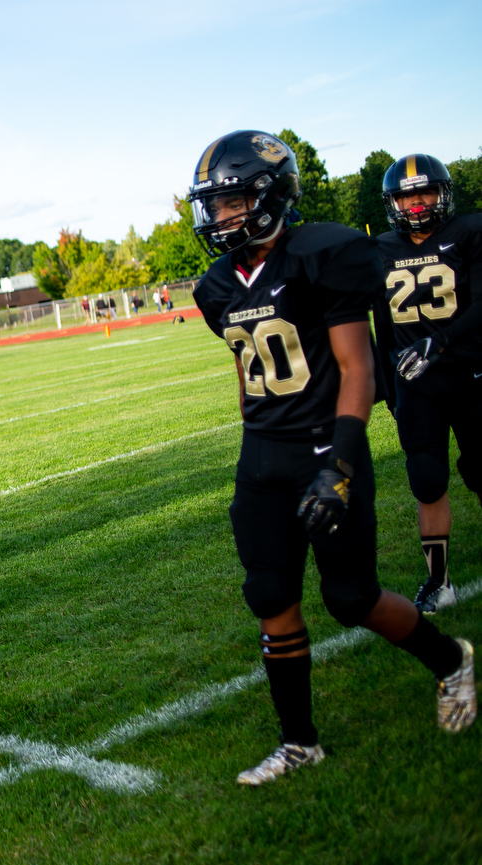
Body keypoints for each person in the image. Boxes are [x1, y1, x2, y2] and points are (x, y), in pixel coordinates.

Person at [189, 131, 475, 785]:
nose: (222, 216)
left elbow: (357, 367)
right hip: (262, 453)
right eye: (216, 204)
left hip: (325, 442)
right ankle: (299, 741)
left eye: (233, 201)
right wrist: (252, 442)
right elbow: (246, 368)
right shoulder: (215, 284)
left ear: (272, 193)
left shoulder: (323, 253)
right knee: (269, 592)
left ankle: (450, 658)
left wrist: (341, 463)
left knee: (351, 597)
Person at [371, 153, 482, 614]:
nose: (416, 204)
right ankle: (439, 581)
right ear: (392, 202)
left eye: (424, 193)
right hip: (415, 383)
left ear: (443, 193)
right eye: (405, 196)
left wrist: (441, 342)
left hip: (472, 373)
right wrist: (388, 387)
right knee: (426, 478)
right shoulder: (379, 249)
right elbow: (380, 323)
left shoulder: (469, 233)